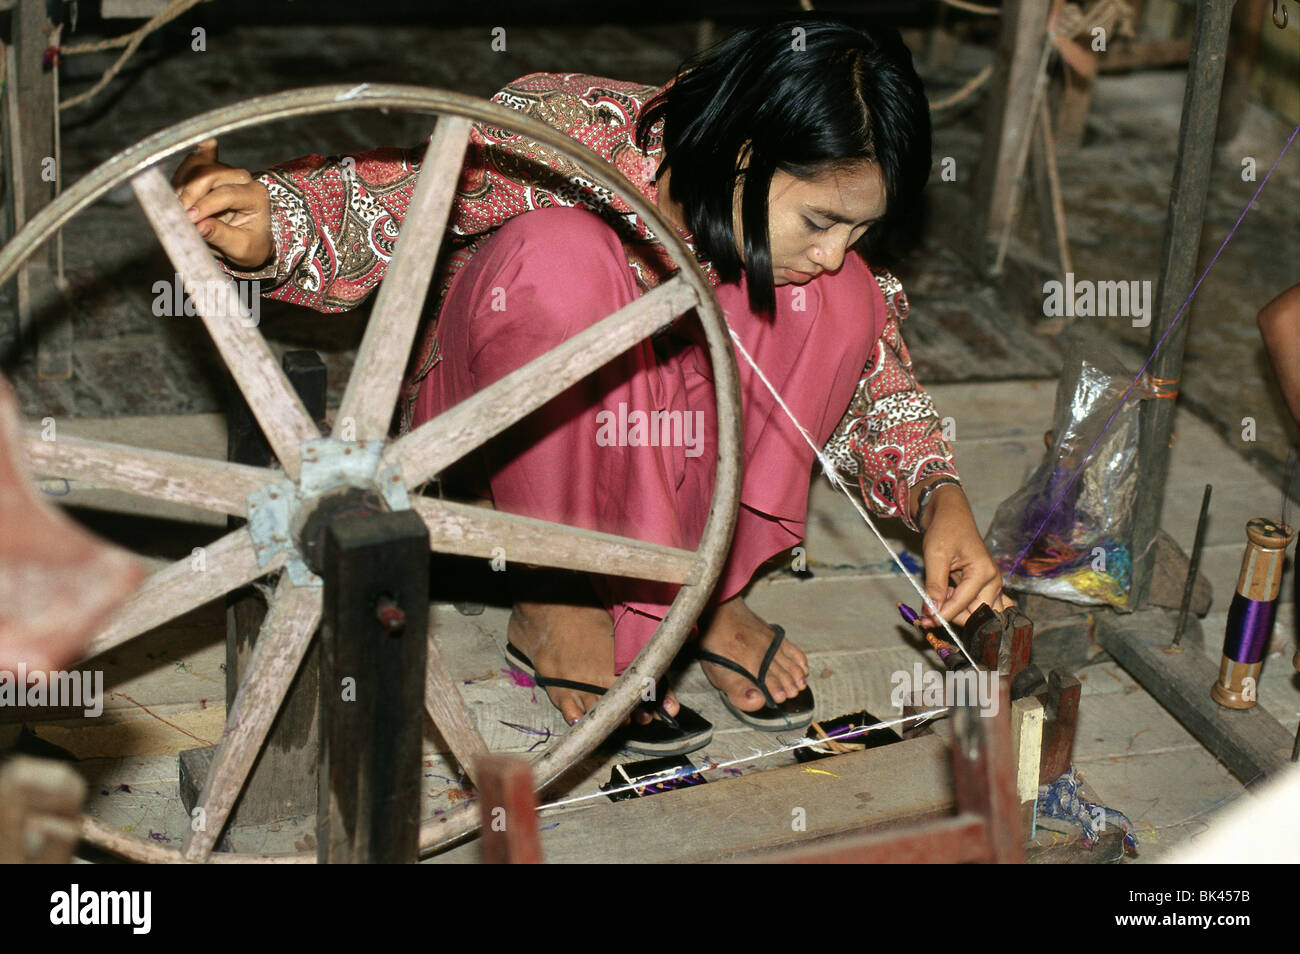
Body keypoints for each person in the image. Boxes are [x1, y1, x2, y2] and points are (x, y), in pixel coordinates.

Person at [172, 17, 1011, 752]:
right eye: (822, 219)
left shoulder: (812, 249)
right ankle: (558, 592)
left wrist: (941, 500)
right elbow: (395, 204)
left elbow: (873, 376)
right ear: (747, 156)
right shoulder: (575, 130)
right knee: (562, 262)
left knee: (839, 297)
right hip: (499, 446)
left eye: (859, 227)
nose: (832, 245)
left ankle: (708, 589)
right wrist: (274, 221)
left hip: (667, 450)